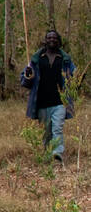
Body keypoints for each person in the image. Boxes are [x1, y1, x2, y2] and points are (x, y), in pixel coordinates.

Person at [21, 29, 77, 163]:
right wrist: (28, 74)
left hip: (60, 101)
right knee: (46, 132)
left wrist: (77, 78)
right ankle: (47, 154)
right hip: (41, 102)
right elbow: (25, 82)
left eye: (55, 38)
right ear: (45, 41)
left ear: (59, 41)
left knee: (57, 128)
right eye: (49, 38)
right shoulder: (36, 59)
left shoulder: (65, 59)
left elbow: (75, 76)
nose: (52, 40)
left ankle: (57, 155)